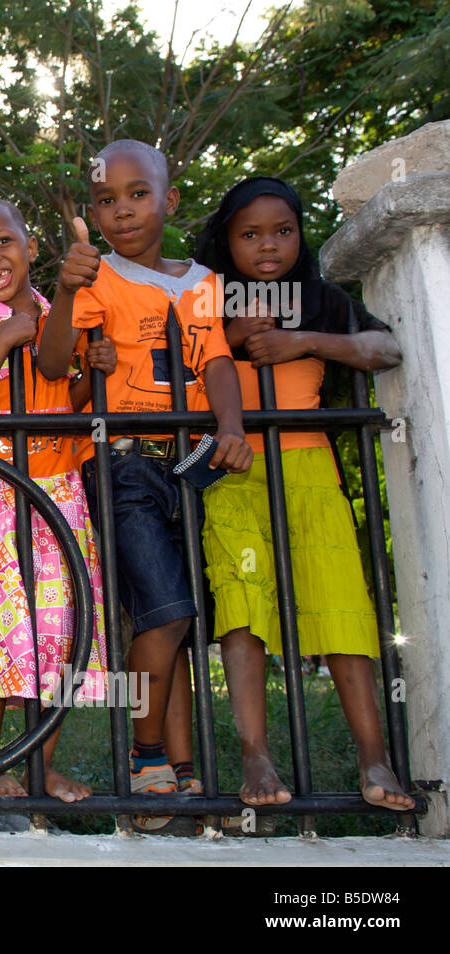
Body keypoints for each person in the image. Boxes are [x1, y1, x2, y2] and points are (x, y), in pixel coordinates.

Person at [36, 140, 254, 831]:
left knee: (181, 617)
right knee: (165, 610)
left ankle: (179, 776)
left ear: (171, 200)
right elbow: (50, 360)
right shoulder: (95, 277)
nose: (121, 209)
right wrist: (69, 288)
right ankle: (145, 753)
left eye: (137, 193)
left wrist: (231, 425)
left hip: (192, 461)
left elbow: (216, 358)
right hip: (123, 462)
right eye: (105, 199)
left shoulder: (204, 282)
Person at [193, 176, 414, 811]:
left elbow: (386, 348)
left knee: (342, 606)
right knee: (242, 611)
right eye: (250, 234)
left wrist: (304, 341)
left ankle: (376, 761)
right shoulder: (206, 298)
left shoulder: (319, 298)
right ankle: (255, 757)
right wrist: (230, 339)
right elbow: (167, 369)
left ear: (299, 235)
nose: (268, 246)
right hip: (231, 473)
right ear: (226, 240)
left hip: (310, 469)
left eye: (283, 231)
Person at [0, 197, 108, 801]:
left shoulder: (51, 310)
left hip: (59, 488)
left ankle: (41, 761)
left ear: (31, 247)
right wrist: (0, 341)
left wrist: (96, 371)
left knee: (59, 627)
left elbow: (59, 379)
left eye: (4, 242)